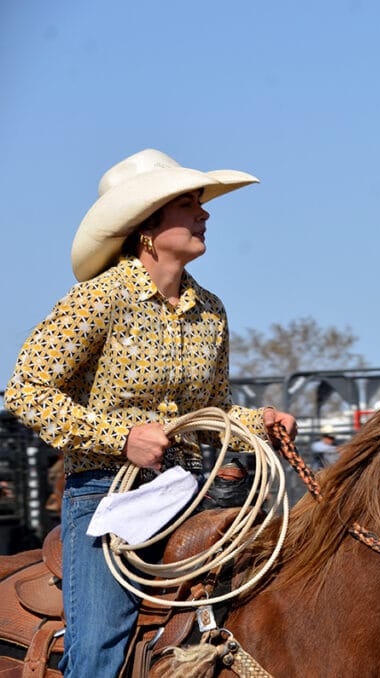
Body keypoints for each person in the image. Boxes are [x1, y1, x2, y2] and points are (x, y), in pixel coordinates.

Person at [3, 148, 298, 677]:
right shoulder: (99, 299)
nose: (205, 214)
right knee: (99, 648)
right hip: (106, 495)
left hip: (188, 490)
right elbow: (27, 390)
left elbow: (211, 412)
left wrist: (262, 423)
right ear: (146, 226)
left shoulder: (210, 310)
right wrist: (122, 438)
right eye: (189, 204)